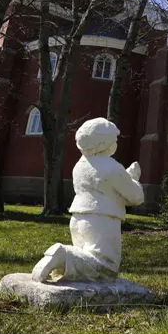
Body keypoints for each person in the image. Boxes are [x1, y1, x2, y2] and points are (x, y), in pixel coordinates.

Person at [31, 118, 145, 283]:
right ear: (104, 143)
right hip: (102, 220)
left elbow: (104, 188)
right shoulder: (113, 167)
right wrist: (133, 179)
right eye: (114, 139)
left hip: (78, 218)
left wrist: (124, 178)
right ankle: (63, 255)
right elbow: (136, 197)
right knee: (105, 267)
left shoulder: (80, 165)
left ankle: (63, 260)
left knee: (85, 258)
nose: (116, 143)